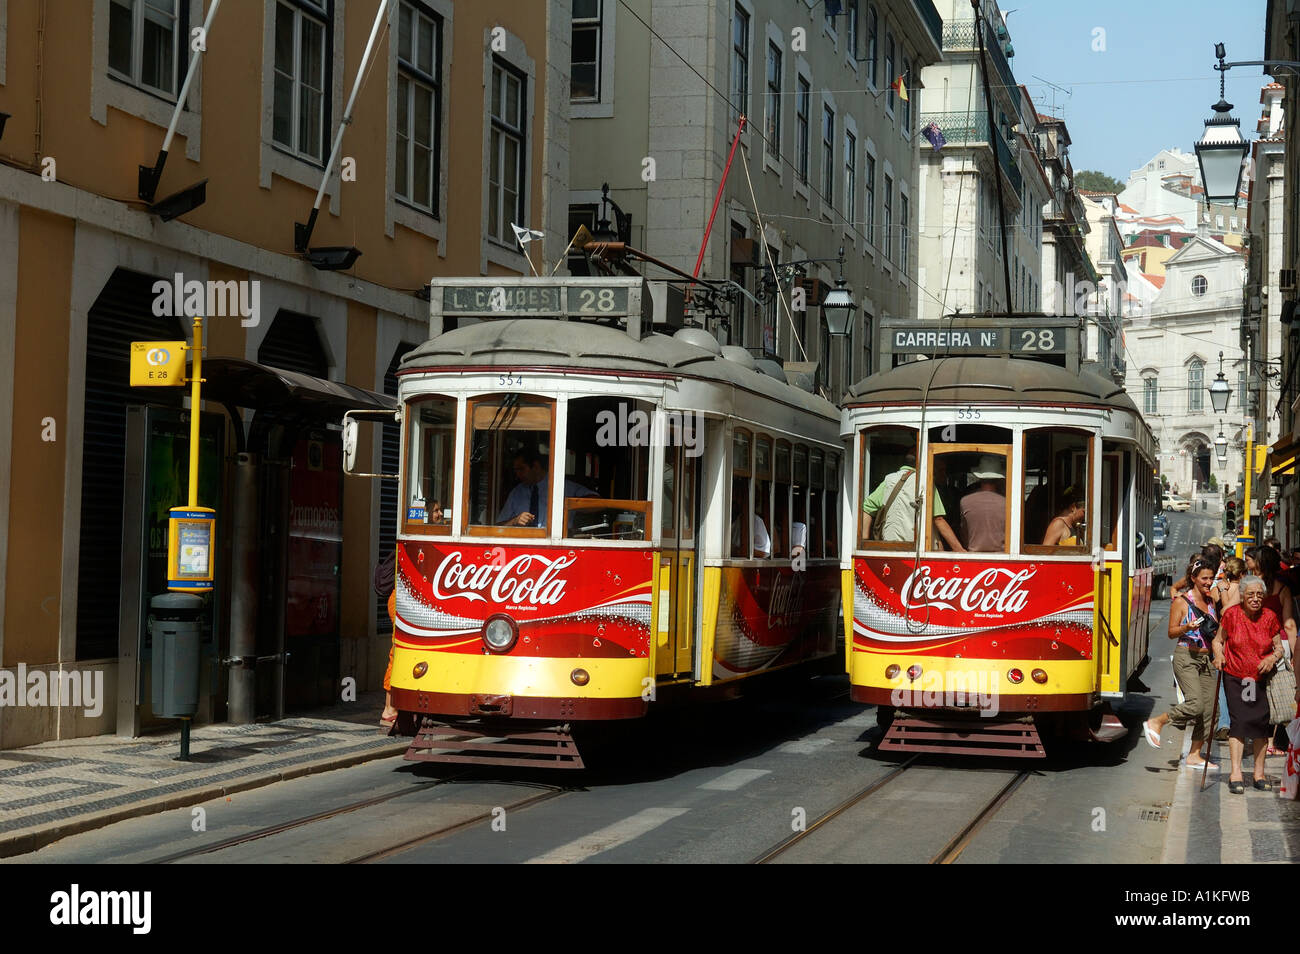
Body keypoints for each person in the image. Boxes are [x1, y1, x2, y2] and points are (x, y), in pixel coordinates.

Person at [1143, 556, 1220, 769]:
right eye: (1204, 578)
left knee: (1212, 712)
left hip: (1206, 659)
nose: (1208, 582)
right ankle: (1157, 721)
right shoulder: (1182, 601)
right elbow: (1170, 632)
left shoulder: (1211, 601)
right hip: (1186, 656)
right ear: (1193, 578)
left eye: (1211, 578)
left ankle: (1195, 755)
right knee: (1195, 704)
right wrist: (1187, 628)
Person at [1213, 575, 1286, 793]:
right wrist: (1218, 655)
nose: (1255, 599)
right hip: (1236, 676)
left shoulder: (1270, 617)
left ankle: (1259, 773)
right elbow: (1218, 641)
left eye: (1259, 595)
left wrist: (1272, 658)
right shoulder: (1231, 615)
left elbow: (1279, 648)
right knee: (1240, 721)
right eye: (1250, 594)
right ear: (1243, 596)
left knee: (1260, 723)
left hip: (1260, 679)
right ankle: (1236, 773)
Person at [861, 454, 965, 551]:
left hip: (890, 546)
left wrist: (864, 541)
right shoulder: (925, 481)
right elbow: (938, 519)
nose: (945, 475)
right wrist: (960, 550)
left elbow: (867, 507)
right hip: (917, 549)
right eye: (941, 470)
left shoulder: (889, 479)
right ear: (931, 468)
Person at [497, 451, 594, 527]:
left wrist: (567, 504)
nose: (517, 475)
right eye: (516, 470)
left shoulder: (563, 487)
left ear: (535, 466)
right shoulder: (517, 492)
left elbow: (598, 503)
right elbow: (498, 527)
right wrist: (514, 521)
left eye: (521, 469)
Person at [959, 455, 1007, 552]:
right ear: (999, 479)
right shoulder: (1007, 503)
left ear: (979, 477)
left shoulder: (965, 501)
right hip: (1003, 558)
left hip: (973, 557)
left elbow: (964, 533)